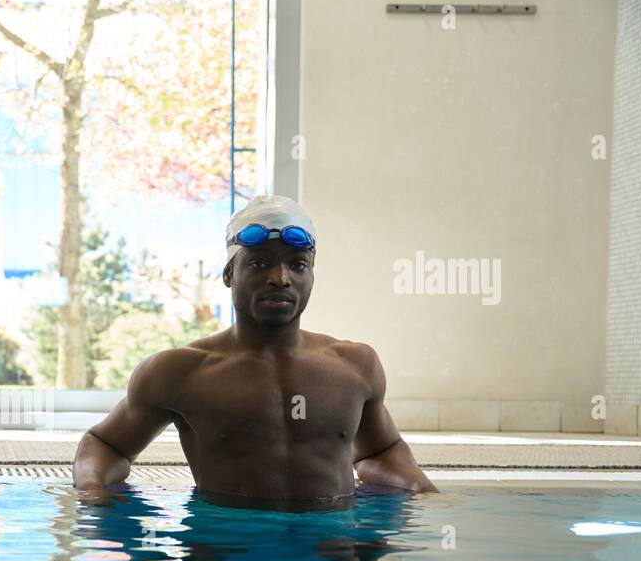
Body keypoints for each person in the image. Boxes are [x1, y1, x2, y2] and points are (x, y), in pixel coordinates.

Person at [73, 194, 437, 510]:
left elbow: (380, 452)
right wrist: (91, 491)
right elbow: (107, 445)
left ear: (312, 275)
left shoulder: (356, 365)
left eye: (298, 264)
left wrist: (426, 492)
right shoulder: (178, 372)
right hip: (227, 544)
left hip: (329, 547)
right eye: (260, 262)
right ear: (230, 273)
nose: (280, 277)